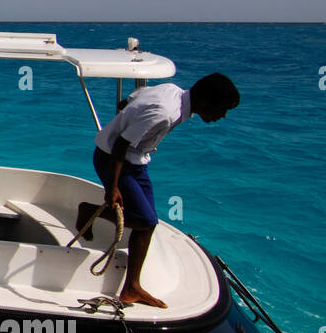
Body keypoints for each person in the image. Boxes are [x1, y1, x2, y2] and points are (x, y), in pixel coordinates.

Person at [76, 73, 240, 309]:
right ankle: (89, 212)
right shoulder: (165, 113)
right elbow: (121, 143)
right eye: (222, 109)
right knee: (143, 220)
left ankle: (132, 286)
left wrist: (129, 112)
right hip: (114, 159)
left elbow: (135, 97)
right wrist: (111, 188)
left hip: (135, 161)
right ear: (205, 101)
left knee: (148, 223)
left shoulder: (174, 92)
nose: (222, 116)